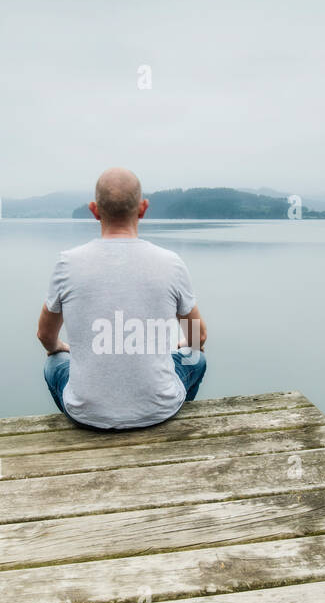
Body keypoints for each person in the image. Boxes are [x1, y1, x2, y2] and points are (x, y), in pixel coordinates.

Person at [37, 167, 207, 430]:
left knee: (54, 364)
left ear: (94, 210)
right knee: (196, 357)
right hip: (158, 410)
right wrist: (184, 345)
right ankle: (172, 422)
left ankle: (87, 417)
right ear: (143, 208)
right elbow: (199, 336)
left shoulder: (67, 264)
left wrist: (58, 347)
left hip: (86, 415)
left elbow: (44, 335)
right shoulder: (171, 263)